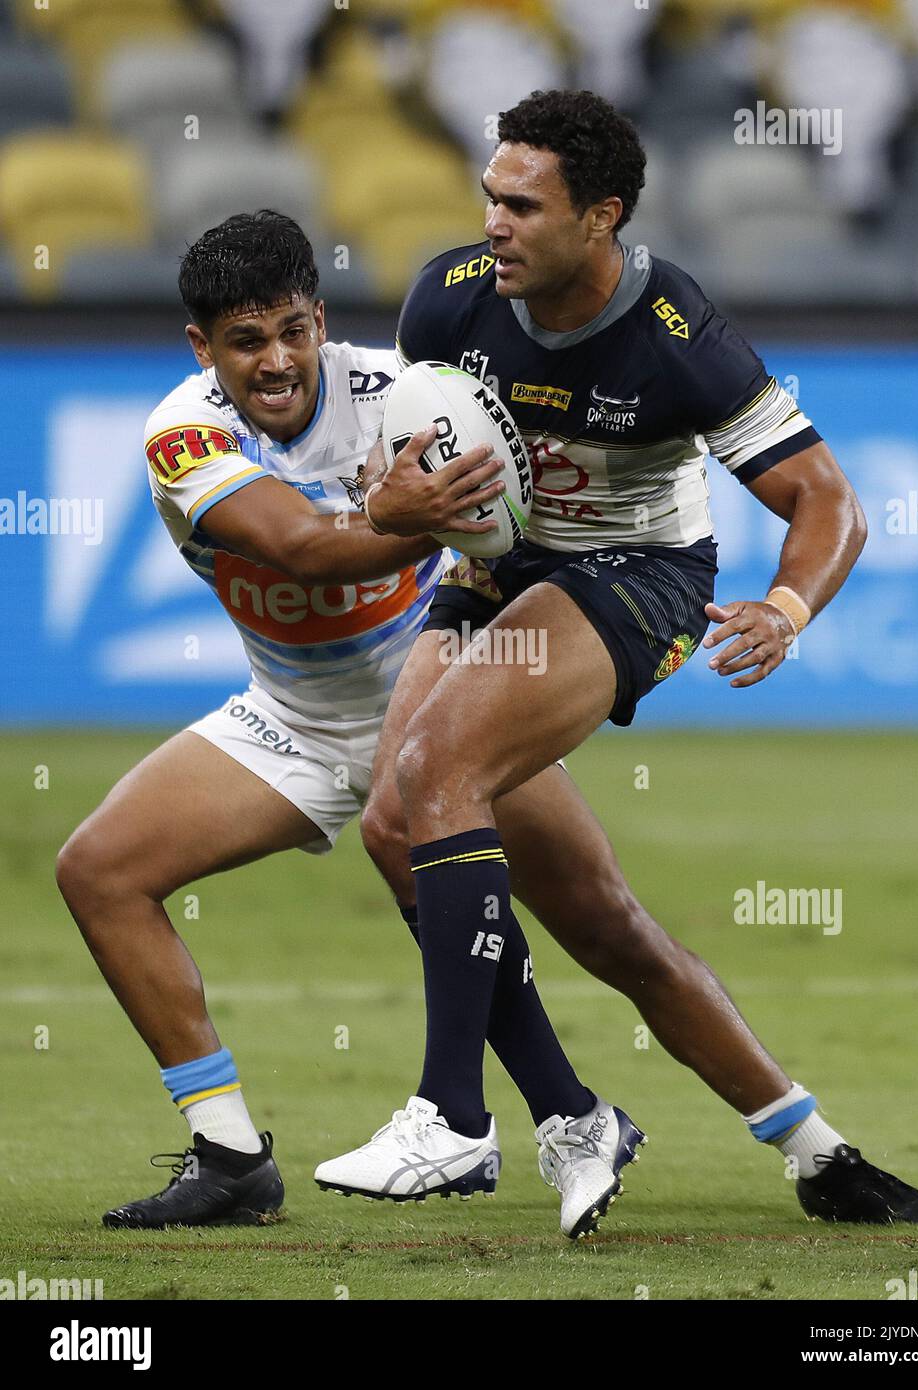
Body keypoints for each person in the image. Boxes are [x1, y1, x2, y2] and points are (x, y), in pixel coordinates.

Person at [314, 90, 918, 1232]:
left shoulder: (675, 334)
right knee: (455, 850)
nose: (492, 224)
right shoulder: (447, 301)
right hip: (496, 574)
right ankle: (783, 1144)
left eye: (522, 204)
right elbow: (393, 478)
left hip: (636, 579)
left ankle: (451, 1115)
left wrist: (790, 605)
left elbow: (826, 499)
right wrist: (387, 499)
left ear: (599, 217)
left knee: (438, 767)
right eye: (488, 197)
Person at [57, 210, 647, 1235]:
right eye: (246, 341)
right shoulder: (181, 434)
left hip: (436, 702)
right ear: (203, 349)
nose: (277, 360)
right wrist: (400, 513)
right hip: (289, 717)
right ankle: (232, 1155)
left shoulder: (405, 391)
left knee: (599, 920)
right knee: (98, 870)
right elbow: (300, 552)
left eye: (293, 330)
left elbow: (516, 513)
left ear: (320, 320)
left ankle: (615, 1117)